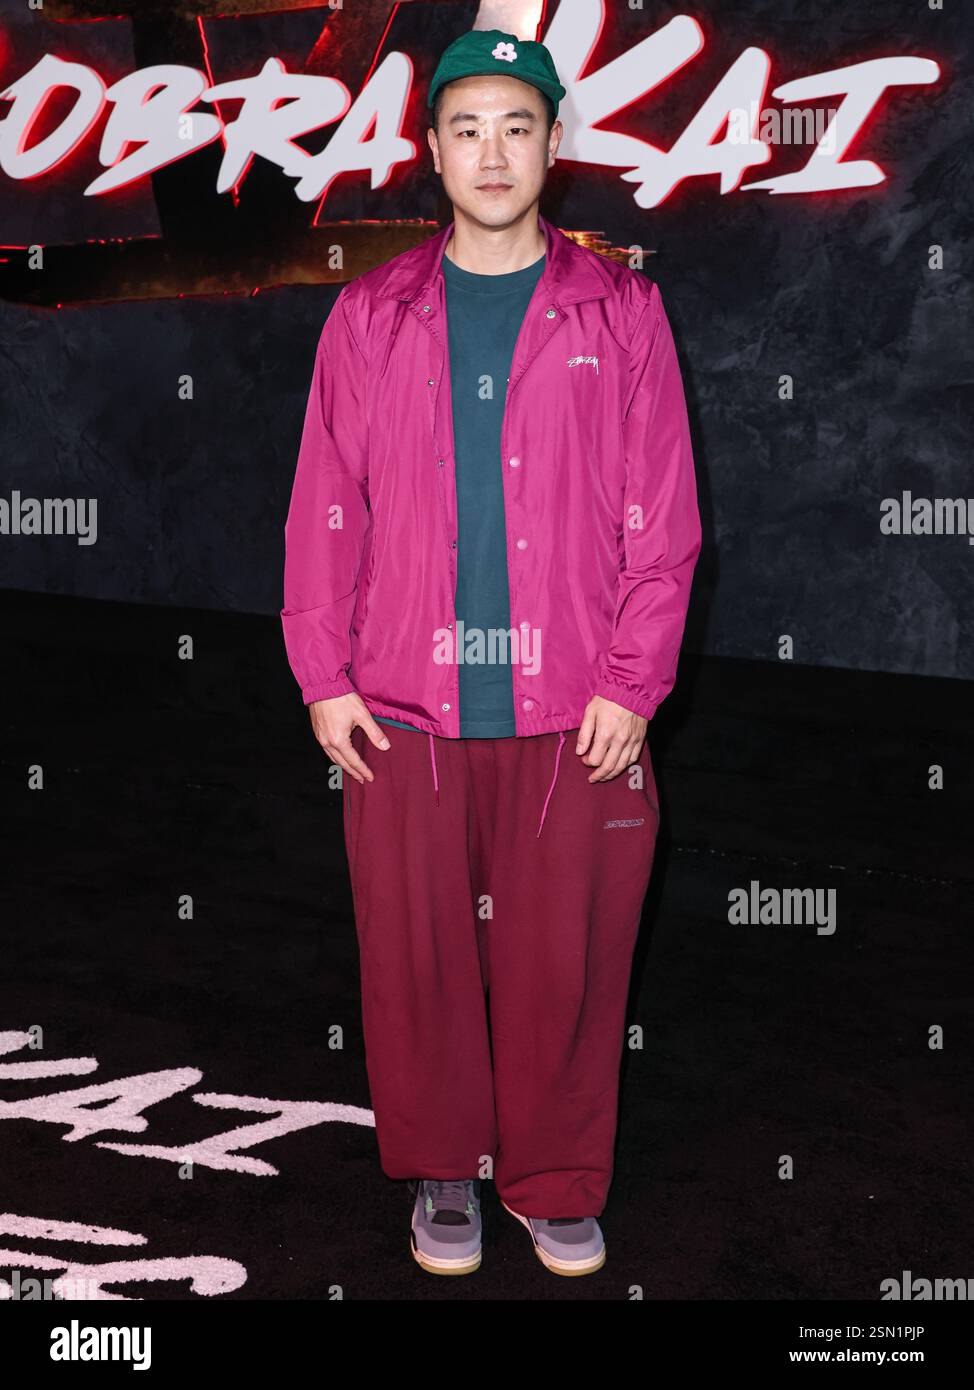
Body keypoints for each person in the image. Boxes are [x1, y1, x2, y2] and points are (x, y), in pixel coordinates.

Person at [281, 27, 702, 1278]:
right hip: (403, 701)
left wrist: (634, 681)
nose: (492, 151)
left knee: (562, 957)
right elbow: (323, 503)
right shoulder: (370, 313)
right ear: (431, 152)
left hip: (573, 702)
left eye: (517, 127)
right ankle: (441, 1169)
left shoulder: (619, 309)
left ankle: (554, 1177)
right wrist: (322, 673)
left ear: (552, 145)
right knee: (415, 958)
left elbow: (663, 518)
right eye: (466, 128)